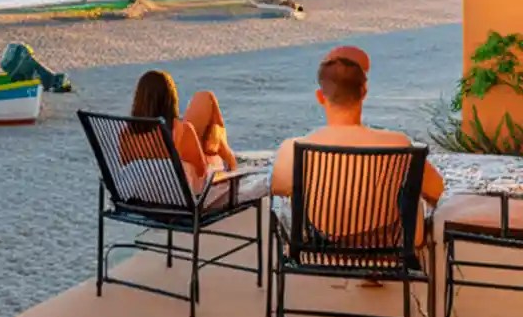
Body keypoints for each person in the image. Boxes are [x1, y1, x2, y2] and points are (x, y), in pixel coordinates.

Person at [270, 46, 444, 242]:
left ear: (320, 96)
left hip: (321, 249)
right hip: (385, 247)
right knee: (415, 202)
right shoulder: (399, 144)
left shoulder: (294, 148)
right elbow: (437, 190)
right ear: (363, 92)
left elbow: (277, 188)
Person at [121, 69, 238, 193]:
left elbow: (126, 167)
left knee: (204, 98)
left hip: (144, 194)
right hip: (183, 195)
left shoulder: (126, 133)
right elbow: (201, 173)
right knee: (206, 98)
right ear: (170, 98)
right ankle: (228, 158)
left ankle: (223, 152)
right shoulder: (181, 131)